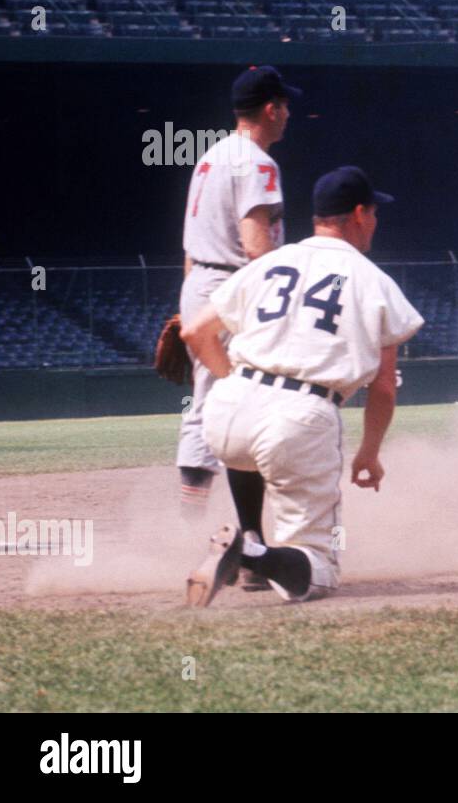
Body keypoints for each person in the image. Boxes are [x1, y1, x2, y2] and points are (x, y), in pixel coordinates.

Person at [180, 166, 424, 606]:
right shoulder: (374, 281)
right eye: (373, 212)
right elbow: (384, 387)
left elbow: (194, 332)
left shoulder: (271, 262)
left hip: (228, 411)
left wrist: (233, 383)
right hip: (299, 418)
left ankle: (251, 536)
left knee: (250, 451)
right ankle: (250, 552)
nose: (375, 222)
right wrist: (369, 452)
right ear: (357, 214)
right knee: (318, 573)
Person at [177, 65, 298, 535]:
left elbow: (191, 249)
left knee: (208, 402)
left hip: (203, 286)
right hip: (235, 289)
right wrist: (282, 299)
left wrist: (191, 308)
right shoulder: (257, 162)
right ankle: (245, 534)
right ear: (270, 109)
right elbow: (254, 245)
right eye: (285, 105)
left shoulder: (212, 156)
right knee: (247, 406)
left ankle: (193, 525)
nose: (288, 114)